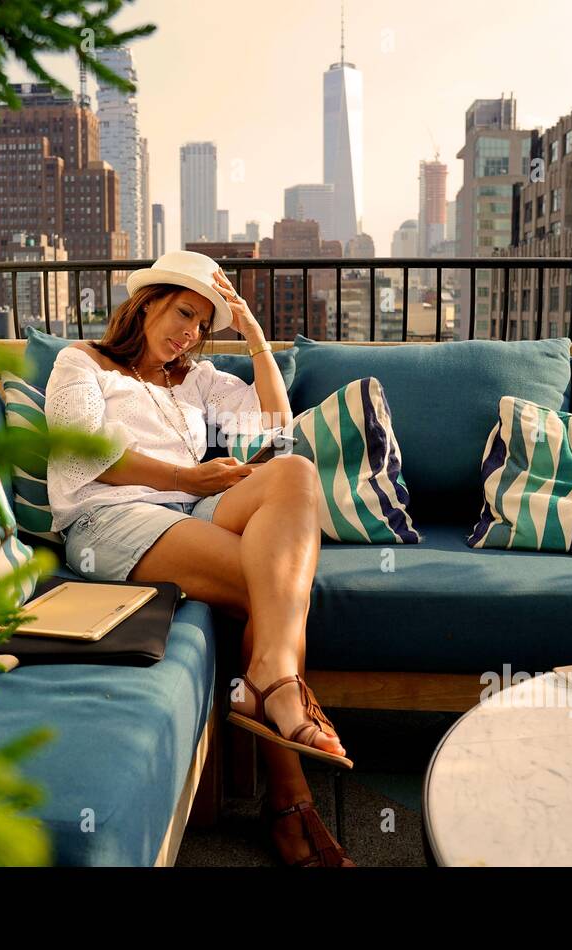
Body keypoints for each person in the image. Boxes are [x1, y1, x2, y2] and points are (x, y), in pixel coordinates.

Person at [44, 250, 355, 866]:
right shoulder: (81, 362)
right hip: (108, 518)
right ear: (147, 301)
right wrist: (191, 476)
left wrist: (257, 338)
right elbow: (83, 454)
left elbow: (274, 427)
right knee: (273, 587)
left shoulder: (192, 378)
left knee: (292, 471)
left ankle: (268, 679)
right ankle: (290, 799)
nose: (189, 332)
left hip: (186, 514)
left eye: (202, 325)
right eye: (183, 311)